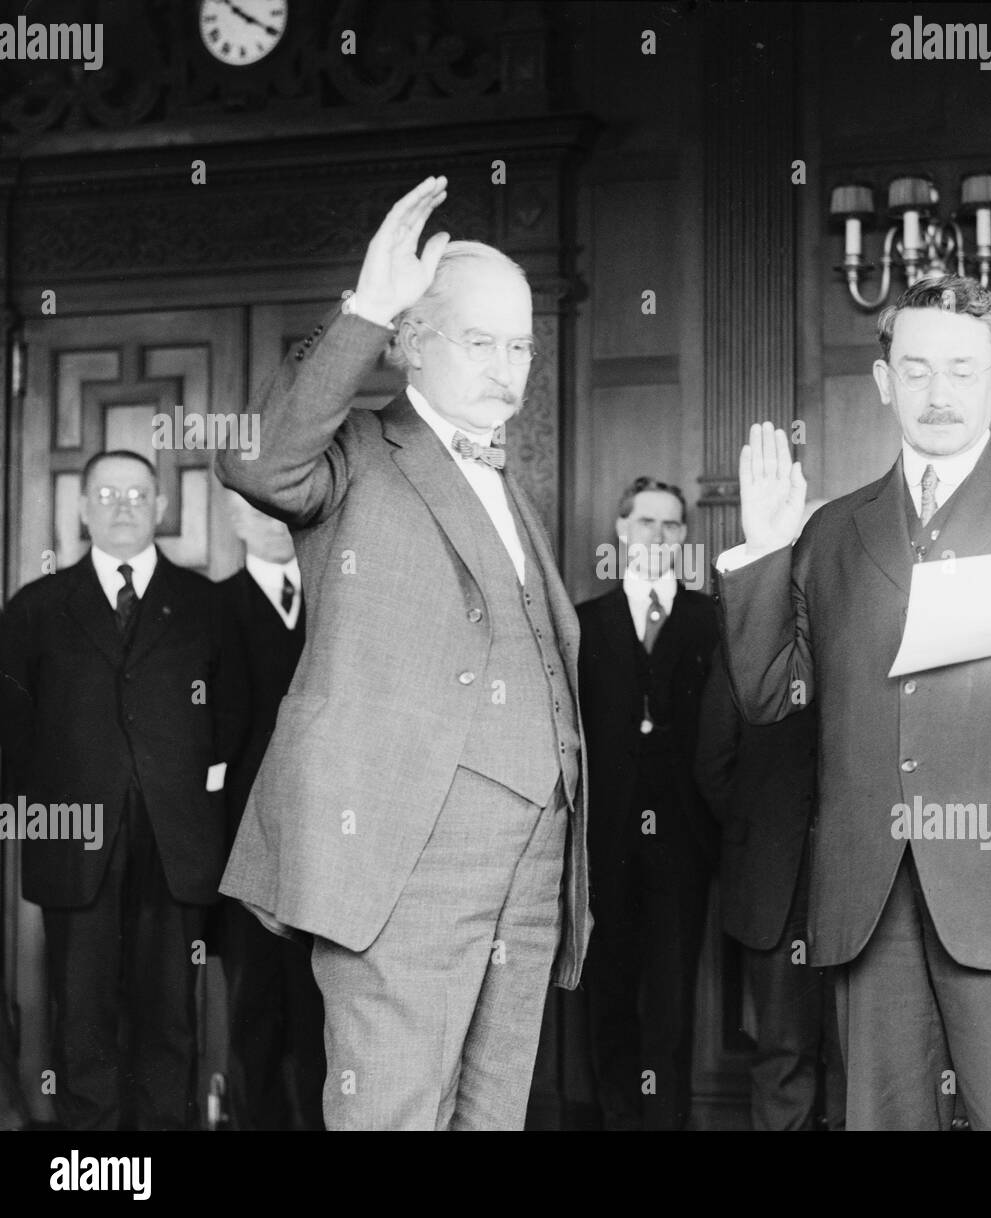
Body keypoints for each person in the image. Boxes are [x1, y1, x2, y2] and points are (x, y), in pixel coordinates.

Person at [714, 275, 991, 1130]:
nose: (939, 393)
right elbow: (767, 695)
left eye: (963, 370)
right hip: (869, 899)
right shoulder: (828, 531)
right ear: (884, 381)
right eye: (917, 370)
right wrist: (763, 553)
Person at [215, 177, 588, 1131]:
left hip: (535, 858)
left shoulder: (510, 484)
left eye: (522, 346)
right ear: (412, 343)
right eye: (481, 342)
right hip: (406, 855)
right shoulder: (359, 457)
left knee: (490, 1118)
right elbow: (261, 458)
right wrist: (365, 308)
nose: (509, 369)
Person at [0, 450, 240, 1130]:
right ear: (82, 509)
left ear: (161, 506)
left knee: (170, 1018)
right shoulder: (36, 607)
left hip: (178, 844)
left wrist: (188, 789)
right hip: (74, 846)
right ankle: (96, 1164)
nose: (123, 506)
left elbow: (233, 714)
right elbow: (11, 731)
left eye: (138, 494)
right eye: (107, 494)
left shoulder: (205, 603)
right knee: (81, 1018)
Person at [696, 502, 846, 1132]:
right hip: (775, 892)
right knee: (783, 1055)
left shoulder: (863, 627)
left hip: (858, 887)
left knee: (860, 1062)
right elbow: (714, 763)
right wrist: (764, 837)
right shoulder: (744, 634)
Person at [577, 477, 717, 1130]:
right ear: (622, 529)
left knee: (671, 1001)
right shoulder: (584, 622)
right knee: (607, 994)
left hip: (683, 845)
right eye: (646, 523)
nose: (658, 537)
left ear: (684, 538)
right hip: (604, 845)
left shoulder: (709, 619)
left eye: (671, 526)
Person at [216, 490, 325, 1130]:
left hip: (328, 847)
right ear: (232, 519)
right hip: (246, 845)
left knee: (321, 1017)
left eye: (282, 508)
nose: (274, 522)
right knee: (255, 1014)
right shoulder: (211, 606)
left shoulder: (338, 602)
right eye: (255, 510)